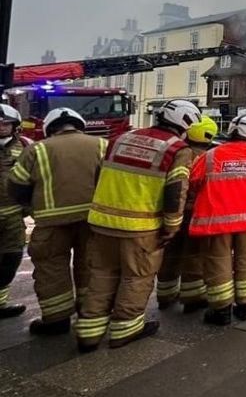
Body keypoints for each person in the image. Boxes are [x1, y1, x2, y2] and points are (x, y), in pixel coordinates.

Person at [75, 99, 200, 353]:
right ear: (184, 123)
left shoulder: (120, 139)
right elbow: (176, 190)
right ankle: (126, 327)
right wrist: (172, 226)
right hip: (140, 225)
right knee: (136, 277)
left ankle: (89, 330)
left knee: (101, 273)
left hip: (102, 221)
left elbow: (100, 175)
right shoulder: (176, 149)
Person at [8, 108, 106, 335]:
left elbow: (15, 185)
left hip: (51, 222)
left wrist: (31, 207)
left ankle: (56, 319)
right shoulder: (102, 145)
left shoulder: (37, 149)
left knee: (51, 269)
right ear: (80, 125)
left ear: (49, 128)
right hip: (92, 219)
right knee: (90, 265)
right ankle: (89, 311)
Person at [188, 115, 246, 324]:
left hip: (216, 221)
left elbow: (193, 182)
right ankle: (245, 306)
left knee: (218, 263)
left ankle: (221, 311)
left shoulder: (209, 156)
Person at [155, 116, 218, 313]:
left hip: (173, 211)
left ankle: (165, 294)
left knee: (170, 253)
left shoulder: (177, 152)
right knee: (194, 254)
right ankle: (193, 296)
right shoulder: (209, 158)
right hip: (196, 212)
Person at [0, 104, 30, 319]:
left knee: (11, 257)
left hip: (12, 215)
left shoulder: (25, 147)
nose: (2, 127)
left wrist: (27, 209)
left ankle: (0, 303)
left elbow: (32, 180)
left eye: (6, 123)